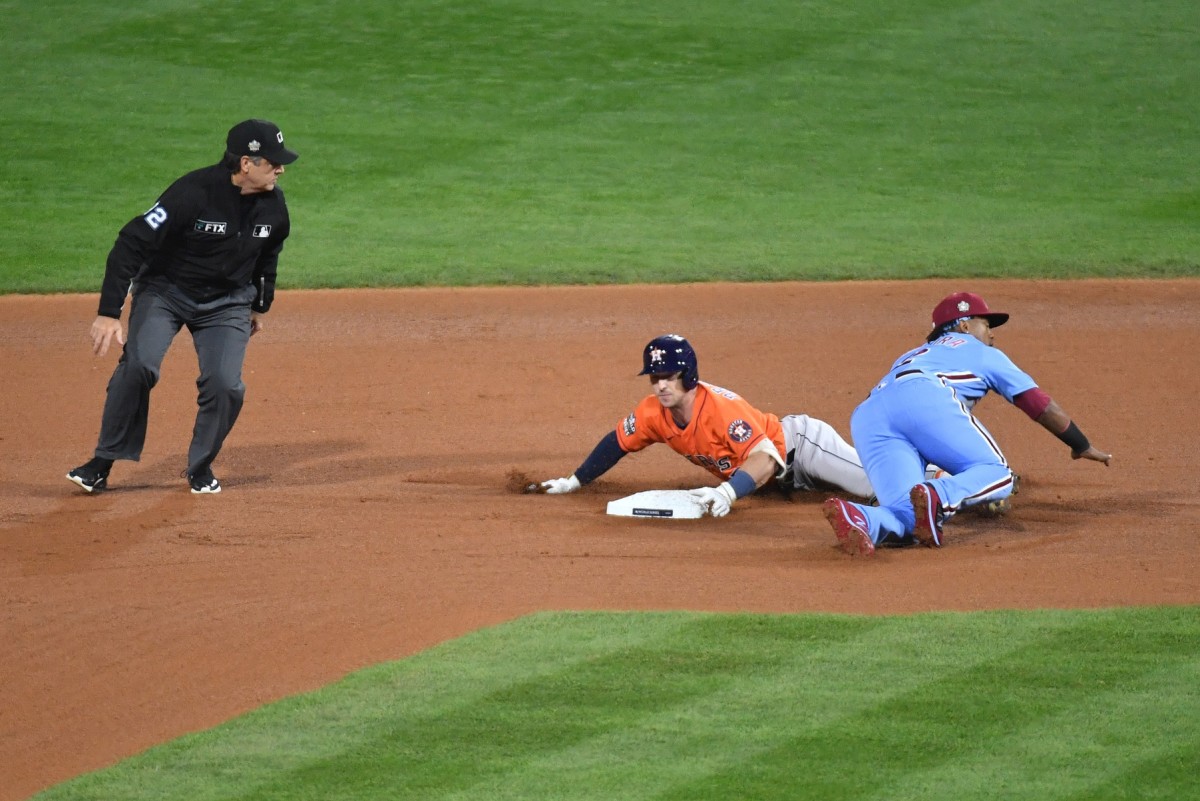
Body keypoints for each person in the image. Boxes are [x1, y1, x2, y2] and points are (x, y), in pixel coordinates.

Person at [66, 119, 298, 495]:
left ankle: (200, 466)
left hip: (226, 303)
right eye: (272, 162)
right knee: (139, 365)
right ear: (245, 163)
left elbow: (268, 256)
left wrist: (259, 306)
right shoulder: (192, 192)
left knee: (226, 384)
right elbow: (130, 242)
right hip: (165, 292)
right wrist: (109, 312)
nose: (280, 168)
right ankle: (101, 463)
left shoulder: (275, 207)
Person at [822, 292, 1112, 556]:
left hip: (869, 416)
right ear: (963, 325)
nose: (991, 335)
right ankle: (939, 494)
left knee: (908, 516)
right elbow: (1037, 402)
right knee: (998, 475)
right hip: (923, 397)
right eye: (985, 325)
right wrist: (1081, 444)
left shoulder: (911, 354)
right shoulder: (981, 351)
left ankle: (862, 518)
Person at [537, 334, 874, 515]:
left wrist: (727, 491)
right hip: (782, 483)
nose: (661, 386)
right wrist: (574, 481)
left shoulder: (721, 410)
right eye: (655, 378)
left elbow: (766, 458)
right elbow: (617, 442)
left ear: (689, 375)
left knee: (876, 486)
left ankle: (928, 479)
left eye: (669, 377)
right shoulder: (653, 412)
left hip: (802, 449)